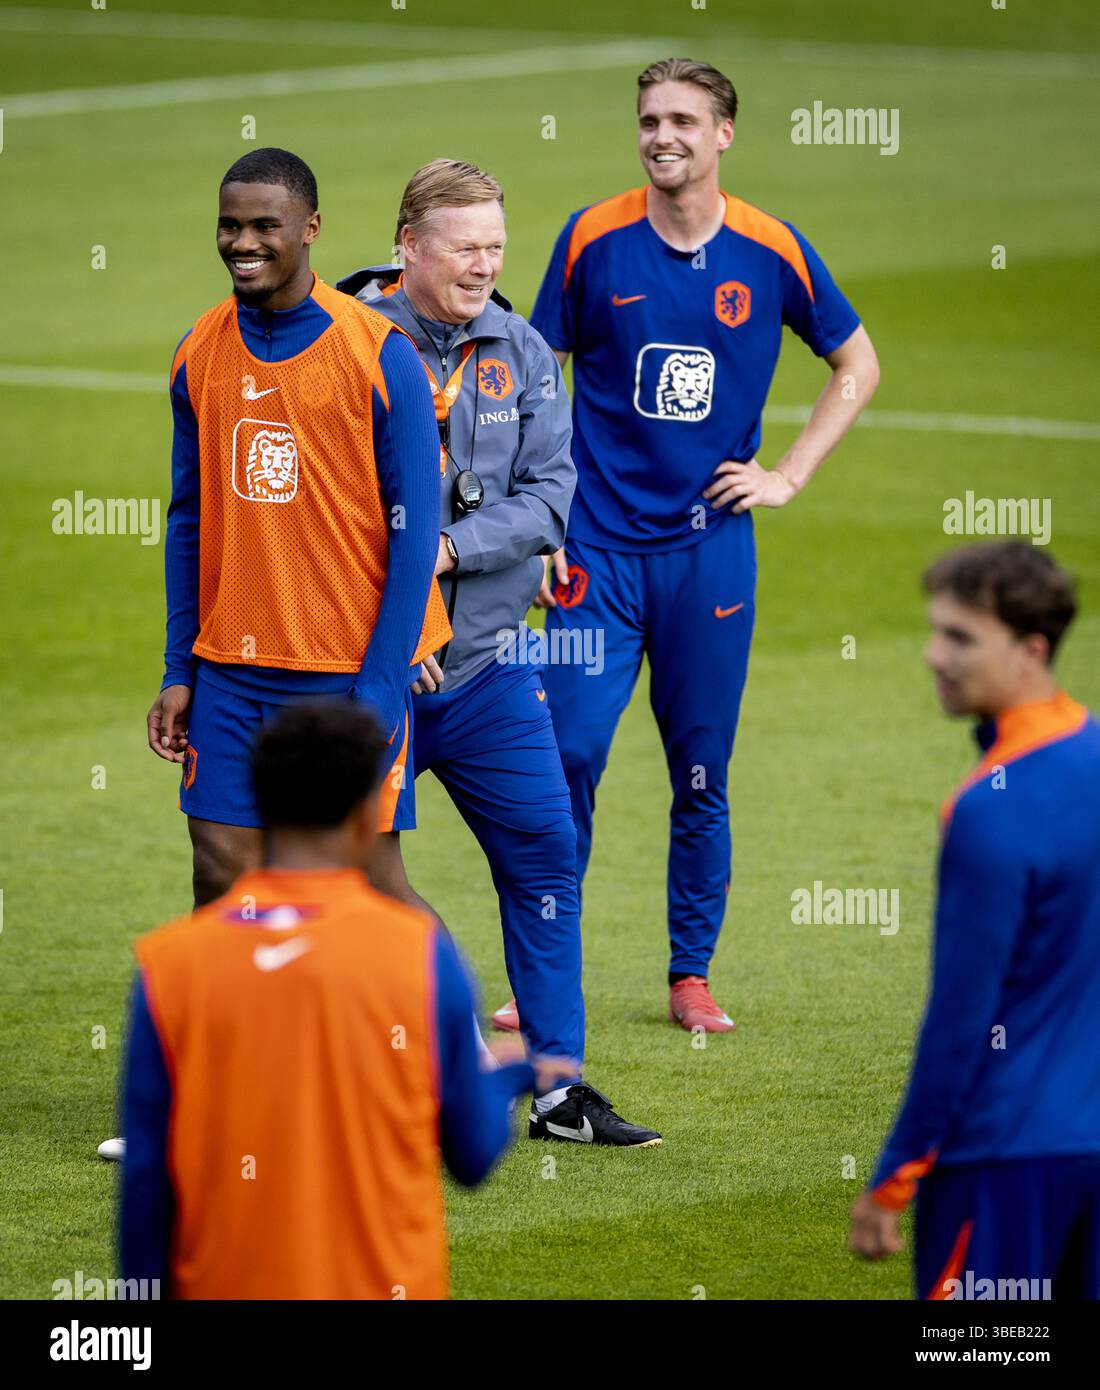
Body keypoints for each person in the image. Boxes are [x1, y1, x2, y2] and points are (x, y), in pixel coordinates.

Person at [524, 58, 880, 1034]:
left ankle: (688, 974)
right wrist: (540, 510)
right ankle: (542, 968)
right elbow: (530, 367)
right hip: (588, 554)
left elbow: (854, 361)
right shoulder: (592, 239)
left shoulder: (770, 249)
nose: (660, 135)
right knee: (563, 754)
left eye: (682, 118)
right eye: (647, 119)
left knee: (698, 771)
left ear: (724, 133)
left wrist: (787, 476)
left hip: (708, 554)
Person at [337, 159, 660, 1147]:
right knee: (360, 882)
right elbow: (329, 518)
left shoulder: (518, 350)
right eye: (463, 247)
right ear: (408, 249)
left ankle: (558, 1090)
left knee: (545, 855)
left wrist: (448, 549)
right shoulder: (347, 347)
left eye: (494, 247)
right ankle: (441, 1057)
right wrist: (403, 627)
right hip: (370, 678)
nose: (483, 265)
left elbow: (549, 498)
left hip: (485, 672)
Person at [120, 701, 571, 1299]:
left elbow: (147, 1184)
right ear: (366, 818)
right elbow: (470, 1152)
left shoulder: (169, 964)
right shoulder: (419, 953)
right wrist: (511, 1075)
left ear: (259, 807)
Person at [147, 146, 447, 907]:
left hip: (344, 670)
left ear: (310, 227)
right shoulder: (198, 354)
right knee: (221, 869)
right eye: (229, 226)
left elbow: (416, 535)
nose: (242, 243)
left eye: (264, 226)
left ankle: (457, 1029)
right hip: (231, 669)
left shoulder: (382, 356)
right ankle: (239, 1028)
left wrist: (380, 688)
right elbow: (189, 520)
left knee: (370, 884)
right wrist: (180, 668)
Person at [849, 542, 1100, 1301]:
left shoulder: (989, 810)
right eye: (934, 631)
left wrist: (893, 1178)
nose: (932, 655)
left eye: (959, 638)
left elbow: (962, 1022)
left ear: (1031, 650)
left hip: (1001, 1159)